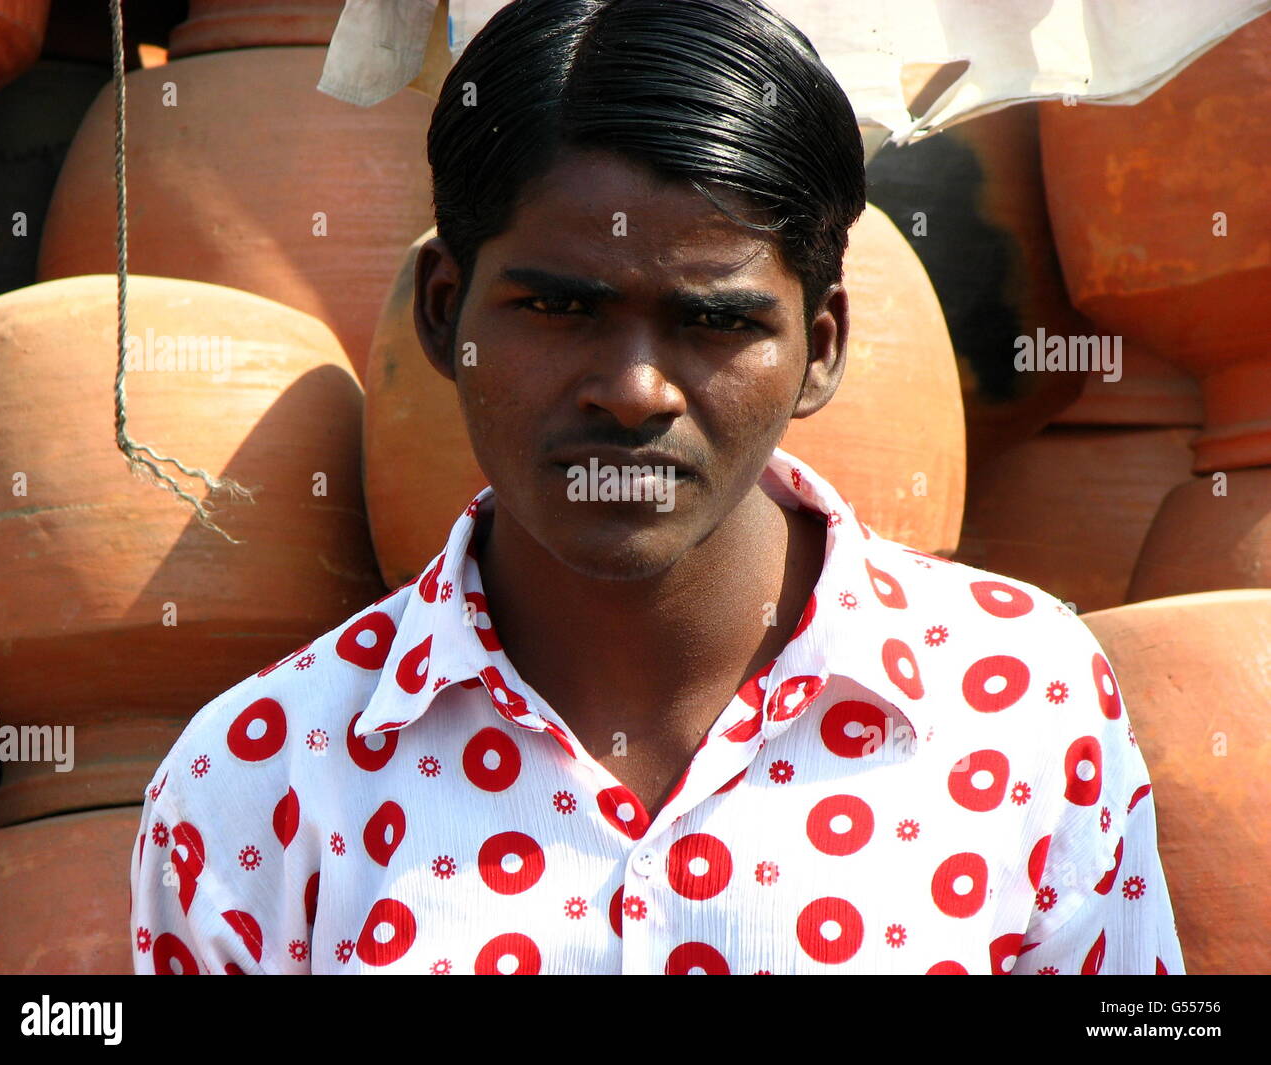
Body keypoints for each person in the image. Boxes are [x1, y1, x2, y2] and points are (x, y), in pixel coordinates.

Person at [130, 0, 1184, 975]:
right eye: (559, 308)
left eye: (716, 321)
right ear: (444, 313)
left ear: (819, 350)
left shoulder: (1019, 701)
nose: (633, 393)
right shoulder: (258, 781)